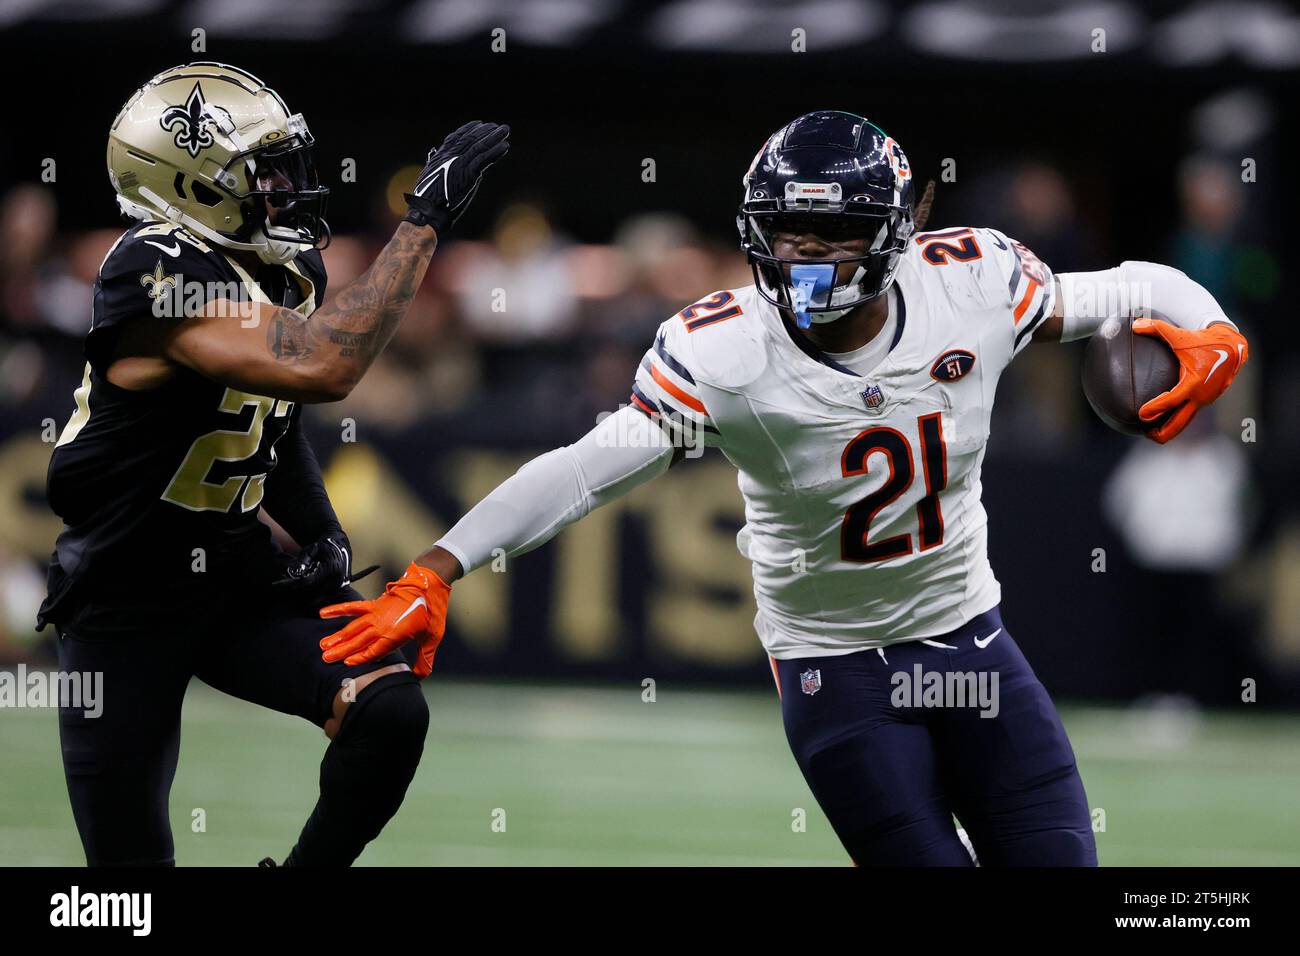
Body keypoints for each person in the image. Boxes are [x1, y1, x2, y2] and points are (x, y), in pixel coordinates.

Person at [317, 111, 1247, 865]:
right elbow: (583, 470)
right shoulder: (727, 350)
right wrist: (438, 568)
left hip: (970, 643)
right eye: (785, 230)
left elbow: (1131, 289)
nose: (802, 253)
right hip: (834, 667)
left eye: (832, 232)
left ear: (892, 235)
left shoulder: (975, 282)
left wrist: (1212, 332)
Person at [38, 61, 508, 866]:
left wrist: (319, 531)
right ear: (185, 186)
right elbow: (323, 366)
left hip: (230, 573)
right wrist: (423, 221)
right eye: (265, 171)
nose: (287, 187)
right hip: (126, 592)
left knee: (388, 709)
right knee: (128, 882)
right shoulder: (152, 268)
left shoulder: (284, 267)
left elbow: (273, 419)